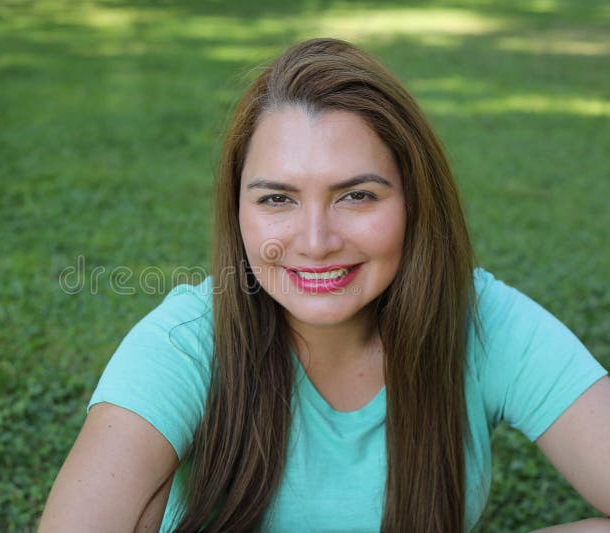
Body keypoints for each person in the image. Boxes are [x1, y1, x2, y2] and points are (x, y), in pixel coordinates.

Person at [39, 38, 610, 532]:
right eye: (277, 199)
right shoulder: (185, 343)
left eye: (357, 195)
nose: (315, 242)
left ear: (415, 201)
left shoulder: (483, 322)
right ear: (238, 210)